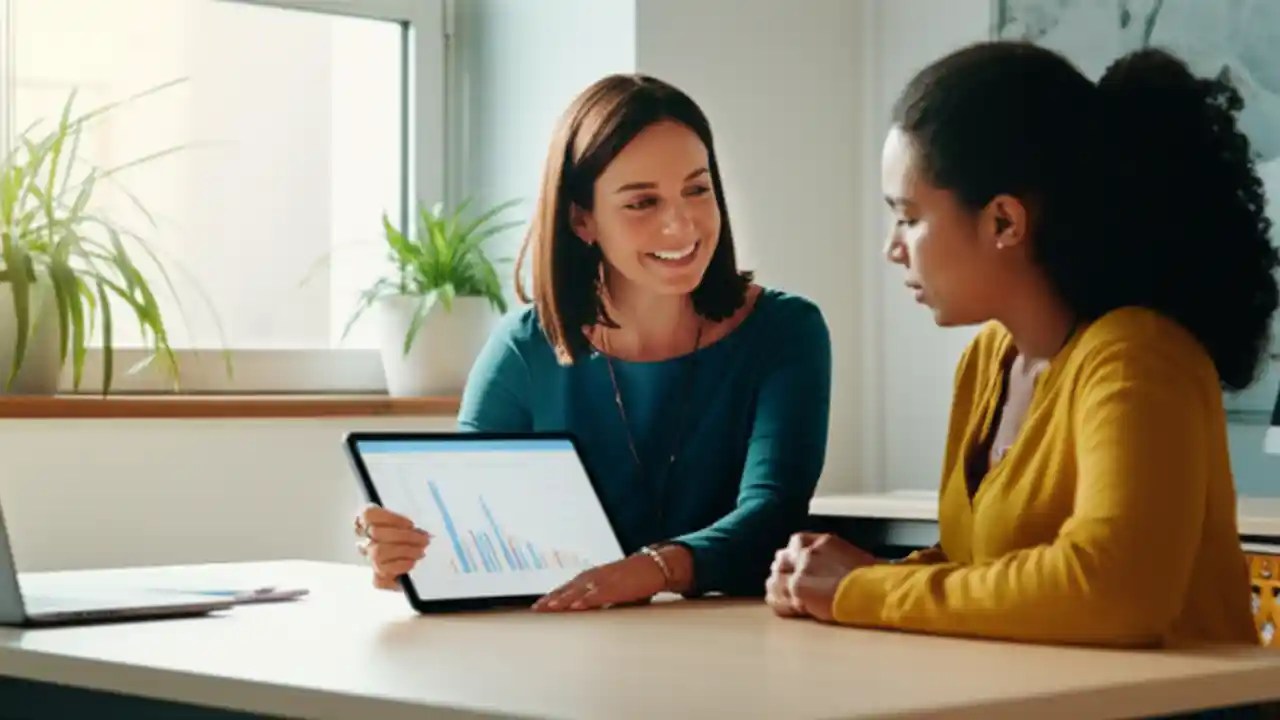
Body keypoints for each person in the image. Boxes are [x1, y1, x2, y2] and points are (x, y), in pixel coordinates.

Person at [767, 41, 1279, 649]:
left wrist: (859, 591)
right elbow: (991, 573)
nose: (893, 247)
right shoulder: (988, 360)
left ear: (1004, 222)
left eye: (907, 217)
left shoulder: (1137, 358)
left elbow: (1114, 591)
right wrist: (849, 578)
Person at [354, 74, 832, 611]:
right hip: (568, 653)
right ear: (582, 220)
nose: (680, 225)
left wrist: (651, 570)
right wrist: (405, 551)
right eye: (642, 203)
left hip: (740, 651)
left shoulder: (786, 331)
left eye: (697, 190)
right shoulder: (523, 349)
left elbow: (773, 518)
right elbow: (463, 527)